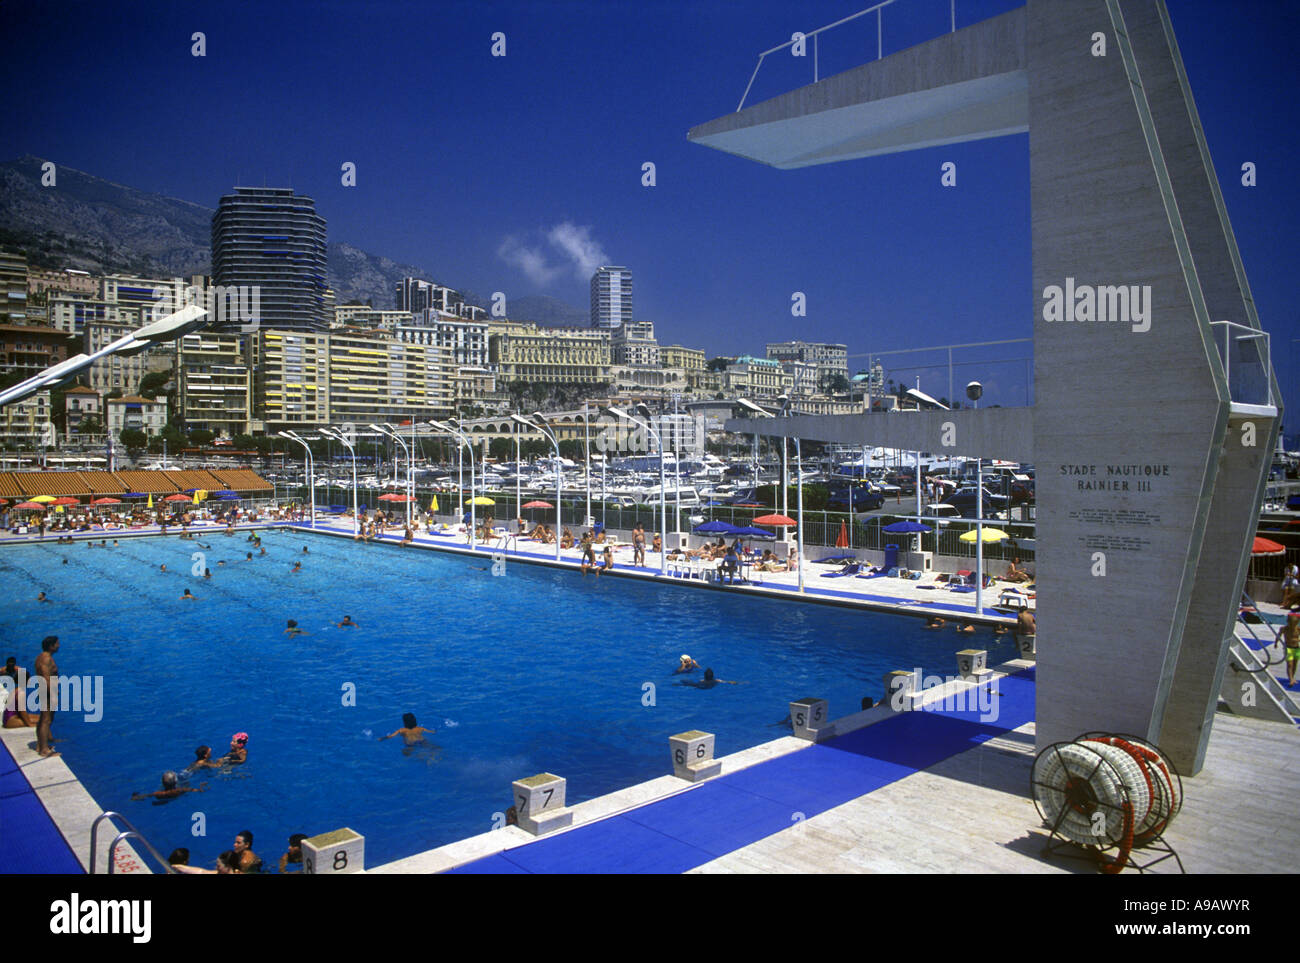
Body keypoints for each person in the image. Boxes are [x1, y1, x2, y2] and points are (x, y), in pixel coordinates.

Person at [34, 636, 59, 757]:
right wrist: (53, 691)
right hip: (47, 692)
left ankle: (41, 744)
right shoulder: (46, 659)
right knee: (46, 719)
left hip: (45, 691)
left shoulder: (42, 657)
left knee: (44, 719)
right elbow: (45, 677)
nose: (58, 646)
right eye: (57, 644)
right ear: (51, 646)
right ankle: (44, 750)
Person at [131, 771, 205, 802]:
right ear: (176, 782)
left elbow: (146, 796)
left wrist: (135, 797)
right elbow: (198, 790)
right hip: (176, 797)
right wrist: (201, 786)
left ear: (163, 783)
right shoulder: (181, 790)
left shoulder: (158, 793)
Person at [1277, 610, 1300, 687]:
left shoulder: (1298, 629)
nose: (1292, 626)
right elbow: (1278, 635)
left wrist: (1297, 640)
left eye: (1294, 624)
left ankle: (1292, 677)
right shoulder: (1284, 629)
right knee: (1290, 664)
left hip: (1296, 648)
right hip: (1288, 648)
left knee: (1295, 664)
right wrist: (1276, 643)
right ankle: (1290, 679)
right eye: (1291, 624)